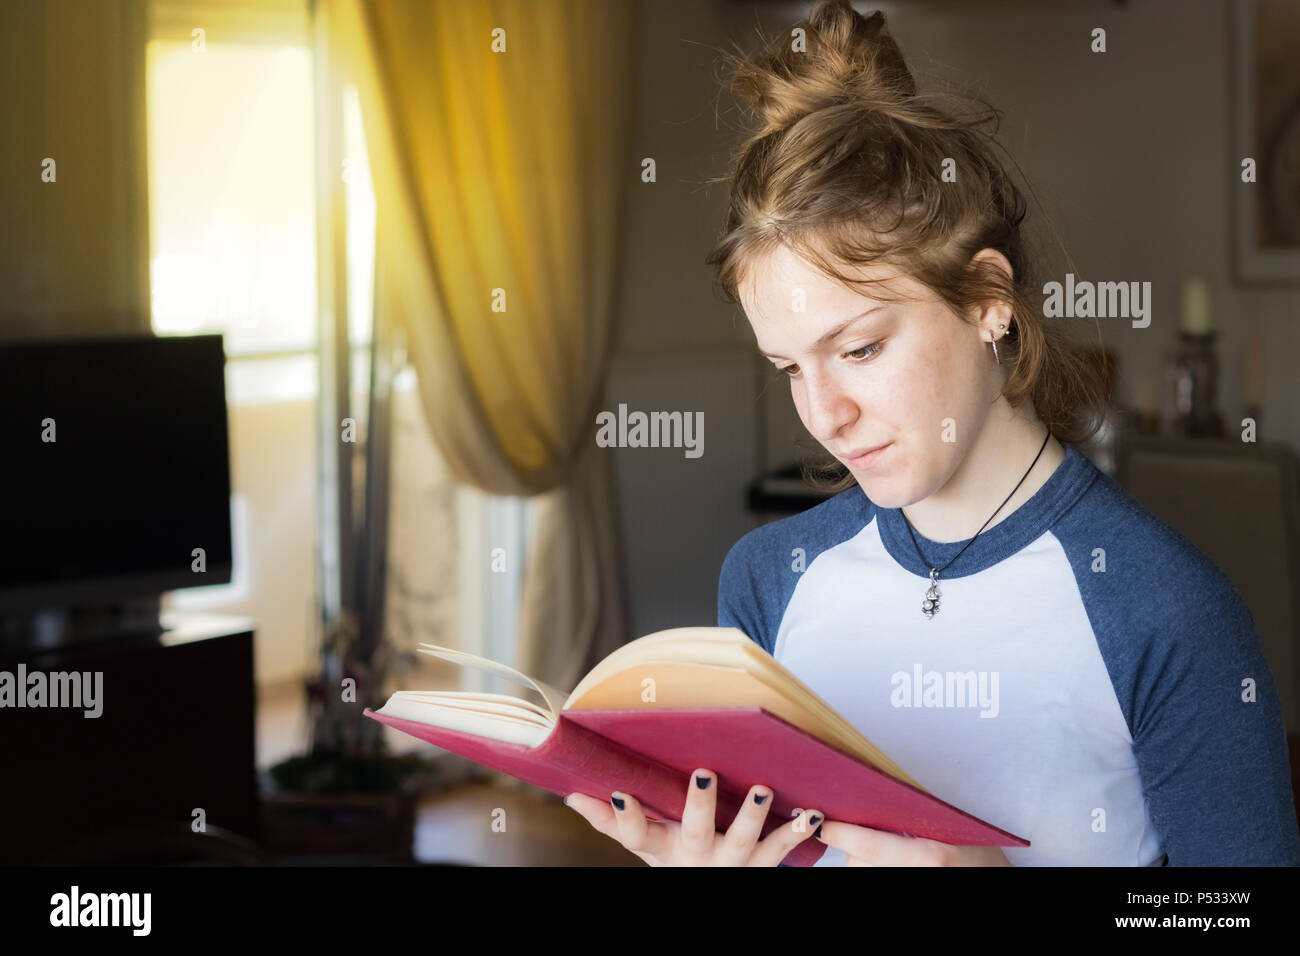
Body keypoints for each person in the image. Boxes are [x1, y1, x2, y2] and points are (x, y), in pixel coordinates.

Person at [564, 0, 1300, 866]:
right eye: (791, 368)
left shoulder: (1164, 608)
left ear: (988, 298)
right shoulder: (768, 580)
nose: (824, 414)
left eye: (861, 347)